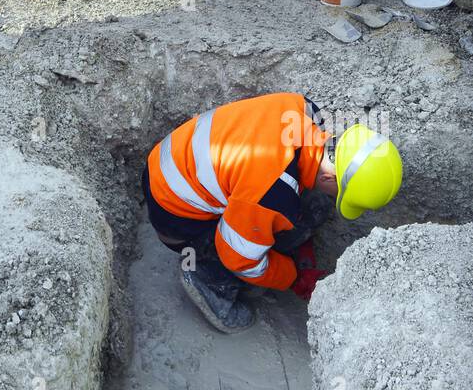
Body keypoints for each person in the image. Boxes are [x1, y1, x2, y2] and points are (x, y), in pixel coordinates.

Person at [142, 92, 402, 333]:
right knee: (241, 261)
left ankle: (252, 226)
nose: (336, 198)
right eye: (339, 194)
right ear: (331, 177)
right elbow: (240, 258)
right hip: (172, 210)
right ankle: (205, 277)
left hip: (176, 155)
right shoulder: (272, 191)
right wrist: (290, 275)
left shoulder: (307, 111)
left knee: (299, 205)